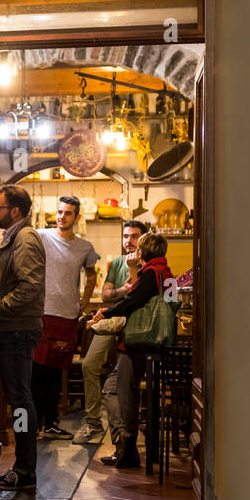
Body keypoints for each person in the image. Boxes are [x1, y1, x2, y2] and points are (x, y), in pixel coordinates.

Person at [93, 231, 174, 469]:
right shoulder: (167, 273)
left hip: (138, 343)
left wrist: (106, 312)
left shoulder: (150, 273)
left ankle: (125, 446)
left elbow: (133, 301)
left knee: (117, 391)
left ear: (143, 252)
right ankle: (135, 449)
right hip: (158, 342)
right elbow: (174, 303)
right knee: (131, 394)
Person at [73, 220, 148, 444]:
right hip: (112, 320)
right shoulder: (117, 263)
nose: (129, 241)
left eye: (134, 236)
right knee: (89, 364)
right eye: (125, 236)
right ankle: (94, 423)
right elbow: (106, 295)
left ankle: (129, 429)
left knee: (127, 377)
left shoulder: (149, 264)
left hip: (137, 325)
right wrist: (122, 289)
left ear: (143, 239)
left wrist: (129, 284)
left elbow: (138, 297)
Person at [31, 196, 99, 439]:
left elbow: (92, 275)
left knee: (55, 371)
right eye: (59, 212)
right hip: (42, 312)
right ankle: (34, 426)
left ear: (76, 217)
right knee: (36, 369)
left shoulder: (85, 247)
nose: (61, 216)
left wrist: (85, 301)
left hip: (68, 315)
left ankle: (50, 424)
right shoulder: (40, 236)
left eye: (68, 213)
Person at [0, 185, 45, 491]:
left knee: (21, 401)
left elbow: (30, 286)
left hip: (16, 328)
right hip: (13, 326)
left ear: (14, 211)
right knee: (19, 399)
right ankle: (24, 466)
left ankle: (25, 469)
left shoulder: (25, 238)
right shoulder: (16, 237)